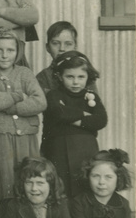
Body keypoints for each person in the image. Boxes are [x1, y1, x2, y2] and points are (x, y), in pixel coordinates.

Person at [0, 29, 47, 199]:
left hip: (25, 138)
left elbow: (40, 102)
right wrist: (18, 96)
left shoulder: (25, 73)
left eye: (10, 50)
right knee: (1, 182)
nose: (4, 55)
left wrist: (11, 108)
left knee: (28, 180)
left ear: (18, 52)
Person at [41, 51, 107, 199]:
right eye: (70, 77)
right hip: (58, 147)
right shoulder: (54, 95)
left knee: (84, 187)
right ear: (59, 77)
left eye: (81, 77)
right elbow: (59, 113)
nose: (76, 82)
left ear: (88, 77)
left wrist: (71, 118)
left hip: (86, 148)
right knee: (61, 188)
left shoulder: (91, 97)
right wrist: (85, 115)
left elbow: (101, 120)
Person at [36, 21, 97, 95]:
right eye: (55, 43)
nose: (62, 49)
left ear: (75, 47)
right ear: (48, 47)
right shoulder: (43, 77)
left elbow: (94, 102)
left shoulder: (84, 72)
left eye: (68, 44)